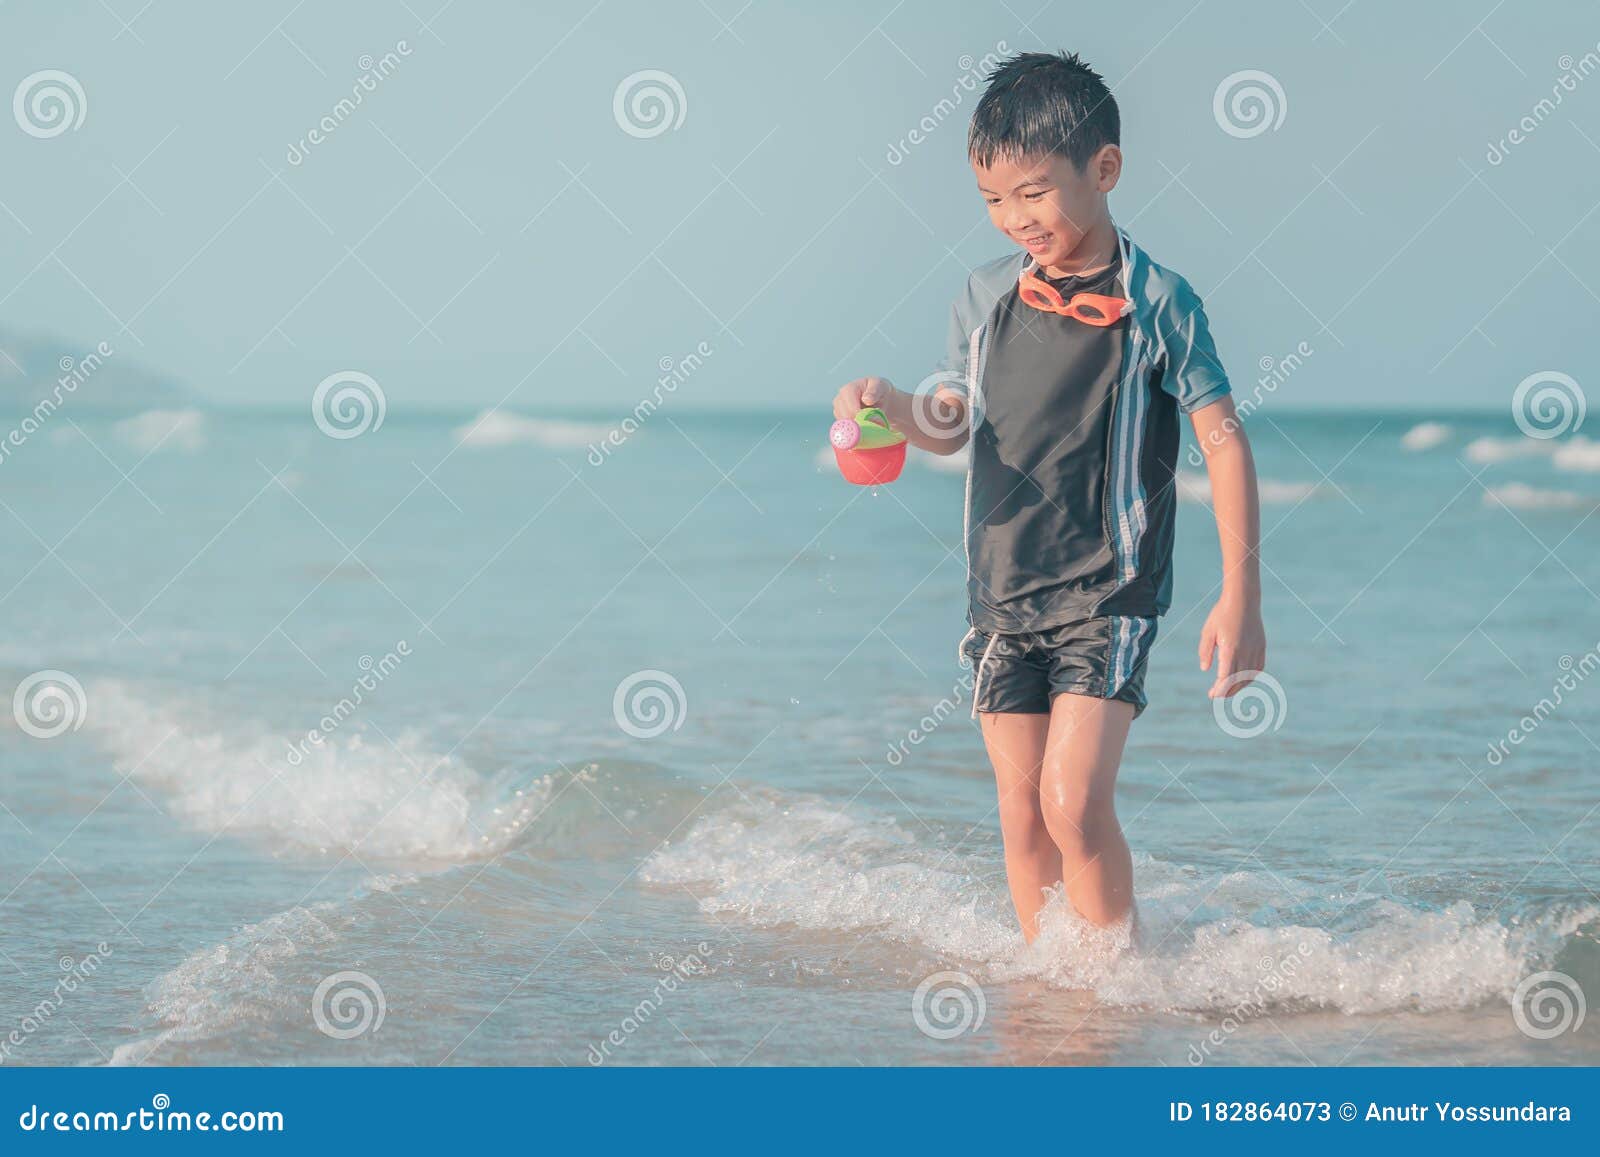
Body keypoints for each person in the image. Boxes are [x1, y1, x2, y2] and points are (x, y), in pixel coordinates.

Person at [832, 51, 1267, 945]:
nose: (1013, 217)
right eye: (993, 198)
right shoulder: (985, 294)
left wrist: (1241, 593)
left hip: (1108, 596)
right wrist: (889, 402)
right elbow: (953, 418)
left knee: (1074, 804)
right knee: (1023, 815)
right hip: (1001, 595)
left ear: (1103, 169)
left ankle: (1114, 980)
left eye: (1033, 192)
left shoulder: (1159, 302)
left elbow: (1222, 440)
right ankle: (1049, 994)